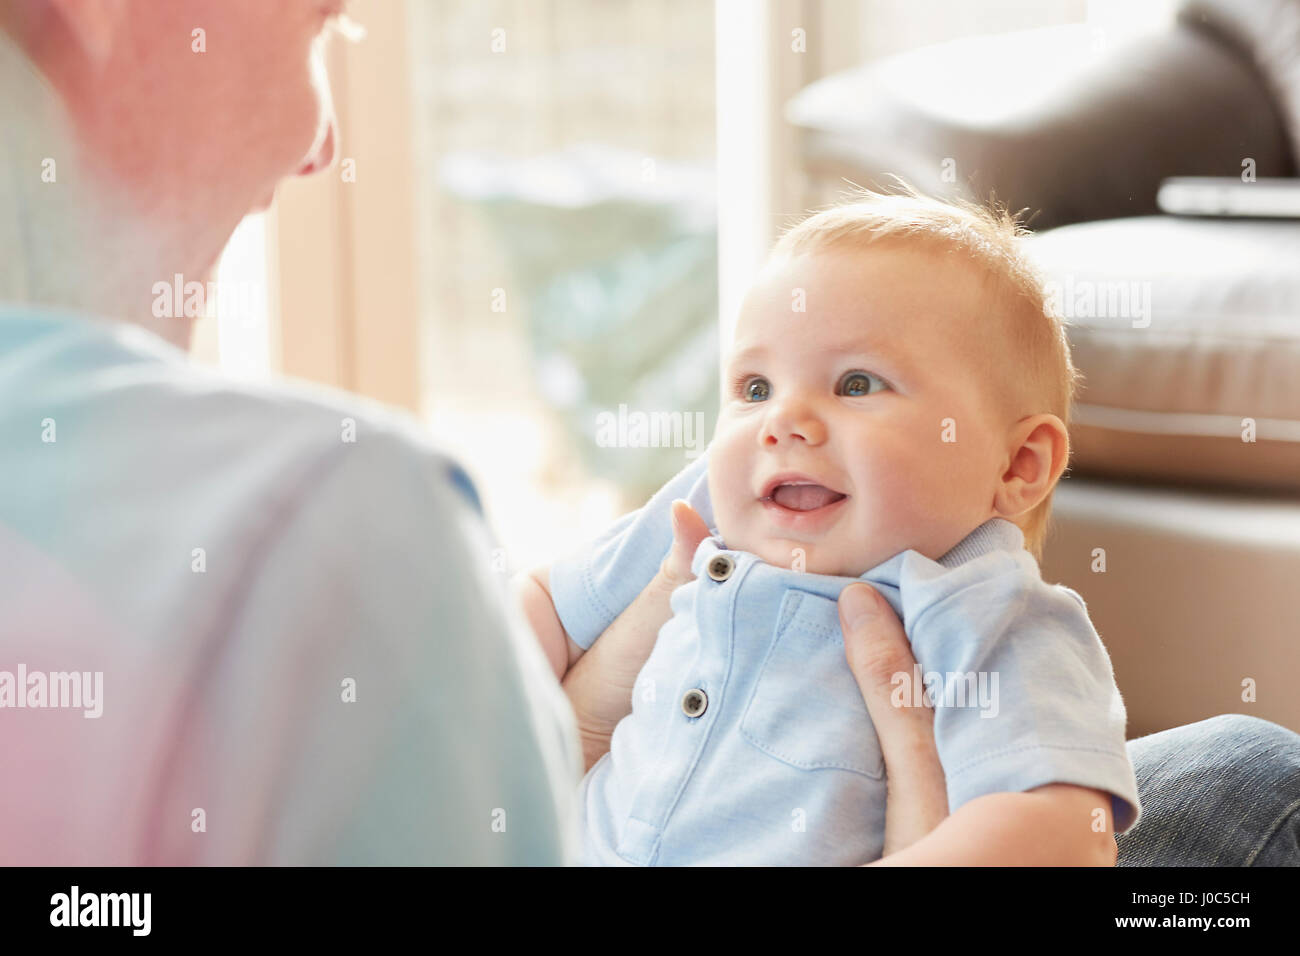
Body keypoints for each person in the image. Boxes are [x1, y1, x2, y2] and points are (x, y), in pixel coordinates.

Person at [522, 190, 1138, 865]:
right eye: (755, 389)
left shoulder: (985, 606)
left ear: (1017, 464)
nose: (783, 421)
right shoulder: (709, 508)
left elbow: (1062, 829)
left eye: (855, 384)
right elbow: (542, 608)